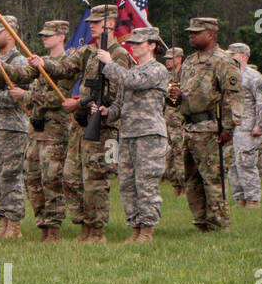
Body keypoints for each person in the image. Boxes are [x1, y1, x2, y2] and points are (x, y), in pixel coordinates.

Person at [32, 4, 132, 243]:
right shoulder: (87, 52)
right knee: (71, 178)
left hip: (104, 127)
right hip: (81, 126)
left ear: (109, 24)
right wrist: (44, 64)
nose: (92, 26)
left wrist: (80, 103)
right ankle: (84, 225)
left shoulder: (118, 55)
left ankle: (97, 230)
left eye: (96, 22)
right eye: (91, 23)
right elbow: (65, 66)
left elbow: (118, 93)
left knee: (96, 180)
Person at [2, 19, 76, 242]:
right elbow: (22, 74)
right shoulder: (38, 62)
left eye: (49, 35)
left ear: (62, 37)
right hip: (36, 131)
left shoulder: (67, 63)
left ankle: (53, 228)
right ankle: (42, 224)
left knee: (51, 179)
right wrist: (1, 65)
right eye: (43, 35)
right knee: (33, 179)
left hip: (55, 131)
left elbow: (58, 97)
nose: (45, 38)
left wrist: (27, 97)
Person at [96, 27, 170, 242]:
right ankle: (135, 226)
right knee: (128, 184)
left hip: (149, 134)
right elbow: (119, 105)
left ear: (152, 45)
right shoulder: (132, 70)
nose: (133, 46)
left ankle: (147, 230)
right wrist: (106, 113)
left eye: (139, 43)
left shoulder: (158, 70)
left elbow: (134, 81)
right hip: (128, 134)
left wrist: (110, 64)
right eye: (133, 43)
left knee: (146, 183)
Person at [169, 17, 242, 233]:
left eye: (196, 32)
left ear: (210, 34)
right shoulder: (190, 61)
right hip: (189, 128)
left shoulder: (223, 61)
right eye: (190, 32)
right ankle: (200, 220)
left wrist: (228, 128)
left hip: (210, 128)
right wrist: (173, 95)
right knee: (191, 178)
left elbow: (233, 97)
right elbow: (179, 94)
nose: (191, 35)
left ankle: (218, 223)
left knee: (213, 178)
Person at [0, 15, 29, 239]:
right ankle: (3, 222)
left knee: (10, 178)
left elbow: (14, 98)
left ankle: (14, 225)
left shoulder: (18, 62)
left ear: (10, 33)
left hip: (11, 128)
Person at [226, 43, 262, 207]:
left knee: (246, 162)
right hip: (232, 125)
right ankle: (240, 197)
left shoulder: (254, 77)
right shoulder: (230, 76)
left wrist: (260, 125)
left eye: (233, 54)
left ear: (243, 56)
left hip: (248, 126)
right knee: (232, 164)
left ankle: (252, 199)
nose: (229, 57)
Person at [163, 47, 187, 196]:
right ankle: (175, 185)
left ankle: (184, 185)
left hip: (180, 119)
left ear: (179, 58)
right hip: (167, 119)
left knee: (180, 152)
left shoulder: (186, 74)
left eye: (170, 58)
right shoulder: (166, 76)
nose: (167, 61)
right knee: (169, 155)